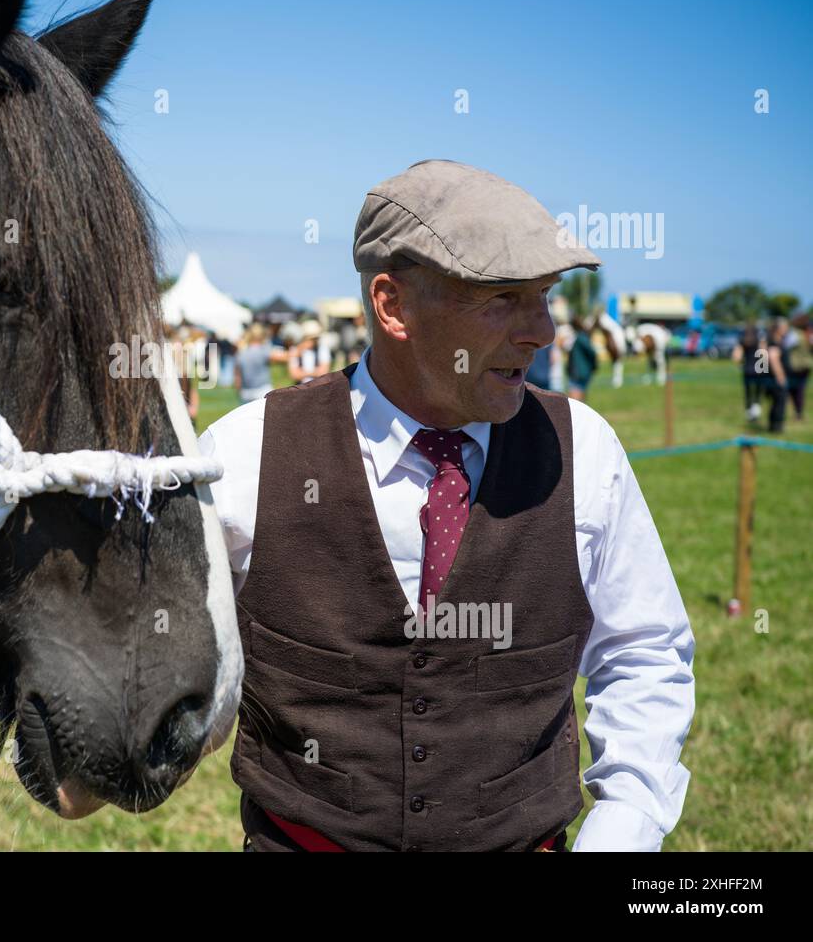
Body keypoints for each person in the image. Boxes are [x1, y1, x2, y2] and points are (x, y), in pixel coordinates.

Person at [199, 159, 694, 852]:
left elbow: (644, 653)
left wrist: (619, 835)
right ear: (392, 304)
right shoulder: (245, 453)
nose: (542, 331)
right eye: (503, 298)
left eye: (545, 295)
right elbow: (157, 658)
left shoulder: (585, 451)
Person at [234, 323, 288, 403]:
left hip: (246, 392)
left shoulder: (241, 353)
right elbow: (284, 357)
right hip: (261, 391)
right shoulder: (263, 350)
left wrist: (239, 393)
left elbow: (237, 378)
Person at [763, 316, 791, 433]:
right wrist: (781, 377)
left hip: (770, 378)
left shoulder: (773, 340)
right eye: (785, 328)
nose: (787, 330)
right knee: (779, 403)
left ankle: (773, 426)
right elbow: (773, 358)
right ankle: (776, 428)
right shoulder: (774, 341)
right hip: (775, 379)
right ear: (779, 328)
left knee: (776, 403)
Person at [733, 322, 763, 423]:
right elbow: (763, 354)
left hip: (747, 369)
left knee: (748, 393)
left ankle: (749, 413)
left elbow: (736, 357)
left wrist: (740, 364)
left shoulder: (742, 341)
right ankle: (756, 412)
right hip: (759, 370)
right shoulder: (758, 340)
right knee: (758, 393)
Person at [287, 319, 331, 384]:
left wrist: (302, 373)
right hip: (300, 388)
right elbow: (294, 375)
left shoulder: (322, 348)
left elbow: (323, 372)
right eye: (313, 338)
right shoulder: (295, 350)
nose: (316, 340)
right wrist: (314, 372)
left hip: (318, 387)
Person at [784, 319, 812, 422]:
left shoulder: (795, 335)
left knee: (792, 389)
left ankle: (795, 412)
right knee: (800, 390)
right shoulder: (808, 335)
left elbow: (785, 346)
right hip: (806, 366)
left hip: (795, 366)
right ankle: (798, 412)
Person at [566, 316, 598, 401]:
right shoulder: (580, 337)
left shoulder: (581, 337)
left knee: (575, 401)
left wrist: (593, 366)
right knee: (579, 399)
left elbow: (592, 352)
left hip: (579, 373)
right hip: (580, 372)